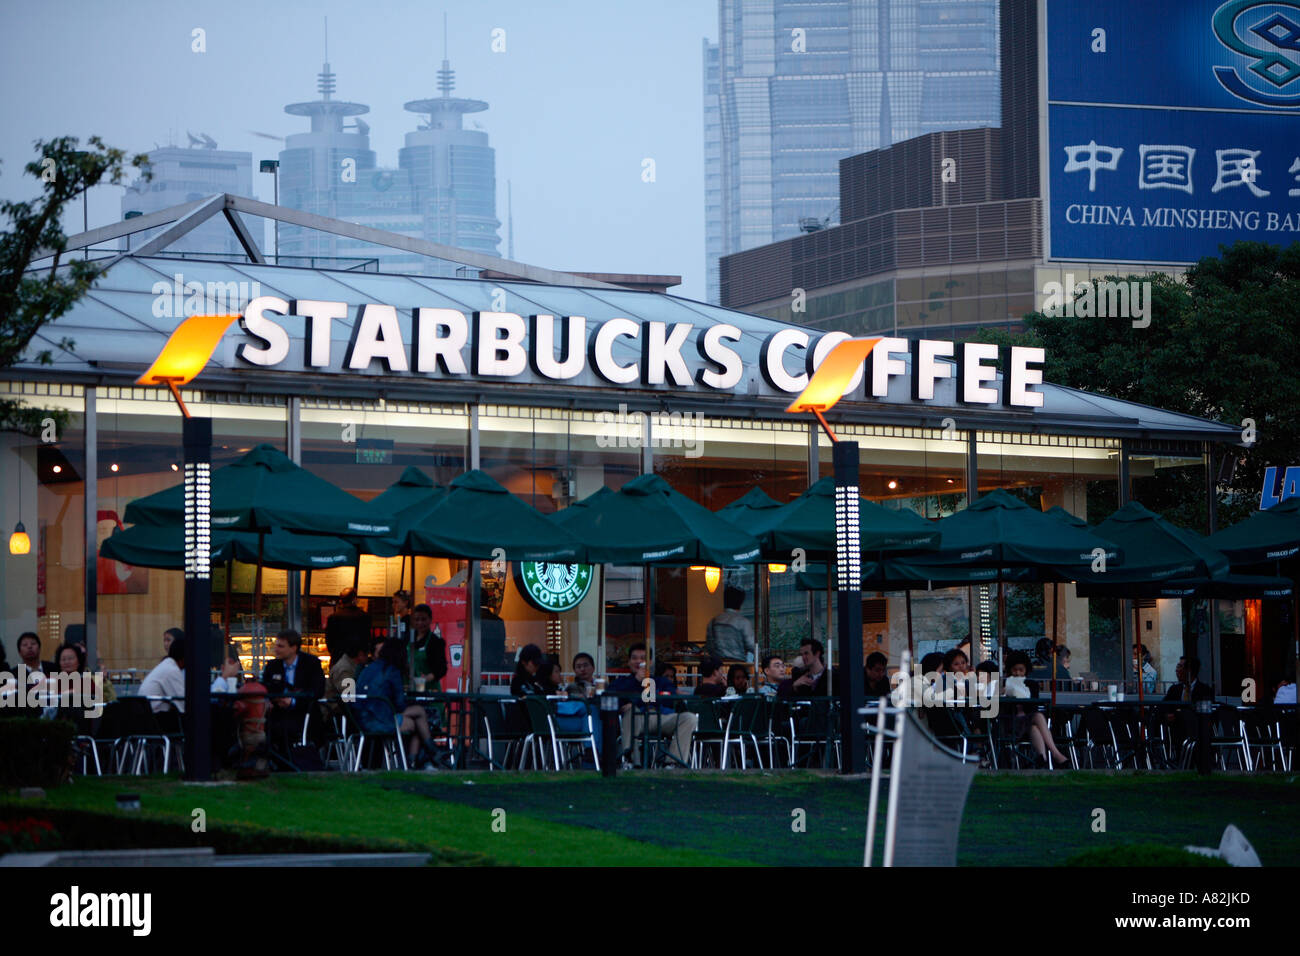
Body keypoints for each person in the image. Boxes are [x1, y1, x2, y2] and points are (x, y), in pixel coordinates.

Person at [609, 644, 698, 766]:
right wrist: (636, 682)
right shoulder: (620, 683)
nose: (639, 662)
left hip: (661, 716)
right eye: (634, 658)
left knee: (689, 718)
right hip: (637, 718)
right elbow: (614, 701)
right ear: (629, 662)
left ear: (650, 662)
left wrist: (637, 699)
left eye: (643, 658)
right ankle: (631, 761)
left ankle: (673, 763)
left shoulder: (661, 681)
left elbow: (669, 700)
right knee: (632, 711)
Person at [355, 638, 438, 767]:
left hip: (361, 718)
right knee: (418, 718)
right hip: (381, 719)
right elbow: (399, 705)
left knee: (418, 715)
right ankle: (422, 756)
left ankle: (421, 757)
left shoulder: (368, 668)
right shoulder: (392, 670)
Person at [261, 628, 326, 750]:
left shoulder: (311, 664)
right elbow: (266, 687)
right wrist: (272, 700)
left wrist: (293, 701)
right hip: (277, 713)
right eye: (276, 645)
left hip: (305, 713)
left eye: (281, 646)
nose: (276, 649)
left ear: (293, 648)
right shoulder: (272, 665)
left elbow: (317, 690)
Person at [1006, 650, 1070, 768]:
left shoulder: (1031, 685)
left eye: (1021, 670)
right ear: (1010, 670)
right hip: (1012, 724)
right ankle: (1056, 754)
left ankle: (1043, 758)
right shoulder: (1006, 685)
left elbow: (1032, 706)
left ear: (1026, 670)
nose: (1018, 673)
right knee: (1038, 717)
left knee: (1034, 726)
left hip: (1027, 722)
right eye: (1015, 670)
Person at [705, 586, 756, 662]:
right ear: (741, 602)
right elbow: (752, 645)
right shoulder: (743, 622)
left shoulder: (714, 621)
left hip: (719, 665)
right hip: (738, 664)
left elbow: (709, 646)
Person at [325, 635, 369, 714]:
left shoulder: (350, 666)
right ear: (361, 654)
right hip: (337, 714)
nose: (368, 657)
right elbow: (349, 698)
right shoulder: (344, 670)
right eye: (367, 654)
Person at [139, 640, 186, 713]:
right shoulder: (171, 670)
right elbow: (184, 704)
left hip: (148, 717)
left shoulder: (166, 665)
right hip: (156, 719)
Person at [409, 603, 448, 691]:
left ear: (430, 620)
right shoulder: (408, 639)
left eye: (423, 619)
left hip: (430, 690)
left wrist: (428, 677)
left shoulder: (435, 642)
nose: (420, 623)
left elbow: (442, 668)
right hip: (410, 688)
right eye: (417, 619)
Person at [325, 587, 371, 662]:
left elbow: (329, 641)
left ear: (341, 601)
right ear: (354, 600)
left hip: (338, 658)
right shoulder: (364, 617)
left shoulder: (333, 617)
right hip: (357, 660)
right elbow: (366, 639)